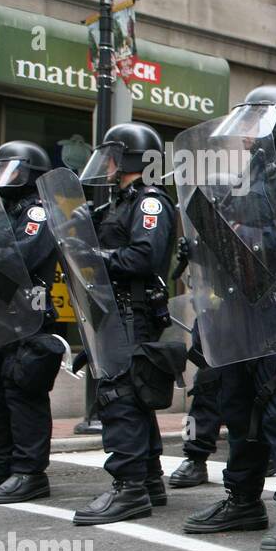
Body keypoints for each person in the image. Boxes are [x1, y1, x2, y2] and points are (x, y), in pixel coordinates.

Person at [181, 86, 276, 551]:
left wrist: (240, 232)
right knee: (238, 405)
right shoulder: (246, 177)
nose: (244, 134)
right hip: (237, 309)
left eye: (253, 123)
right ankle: (242, 499)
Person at [71, 124, 177, 525]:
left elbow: (144, 257)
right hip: (115, 312)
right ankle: (148, 480)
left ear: (131, 158)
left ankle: (128, 489)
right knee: (134, 396)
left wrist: (95, 258)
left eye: (114, 155)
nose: (109, 164)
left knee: (120, 398)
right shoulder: (117, 203)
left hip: (133, 314)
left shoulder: (150, 202)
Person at [0, 141, 63, 505]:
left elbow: (21, 258)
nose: (4, 178)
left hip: (27, 317)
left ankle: (29, 473)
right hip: (0, 320)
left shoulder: (37, 211)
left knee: (23, 395)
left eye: (12, 170)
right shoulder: (6, 214)